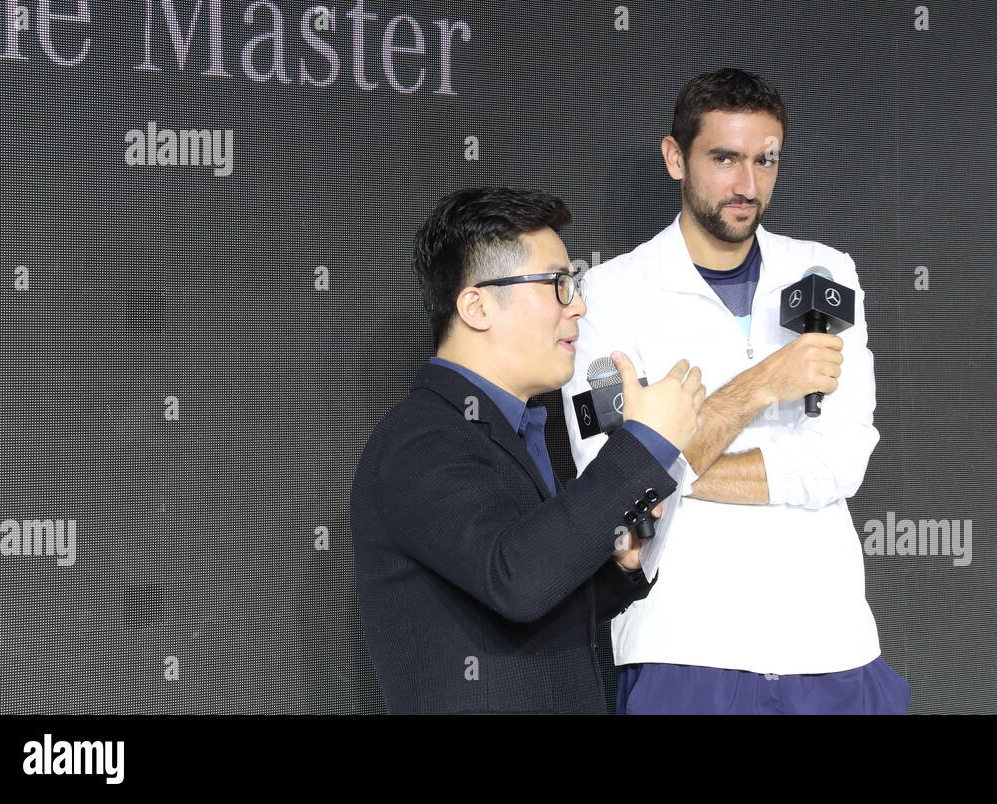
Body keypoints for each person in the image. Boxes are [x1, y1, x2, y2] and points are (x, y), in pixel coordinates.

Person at [562, 68, 911, 714]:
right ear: (676, 158)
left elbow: (841, 461)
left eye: (765, 160)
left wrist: (670, 463)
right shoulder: (611, 294)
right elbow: (607, 479)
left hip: (830, 643)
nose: (747, 186)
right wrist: (762, 386)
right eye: (724, 159)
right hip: (685, 647)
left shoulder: (827, 271)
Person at [352, 186, 705, 713]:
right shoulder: (421, 438)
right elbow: (516, 580)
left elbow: (538, 600)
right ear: (477, 305)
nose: (579, 304)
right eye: (558, 283)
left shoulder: (504, 430)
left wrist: (621, 566)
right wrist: (645, 443)